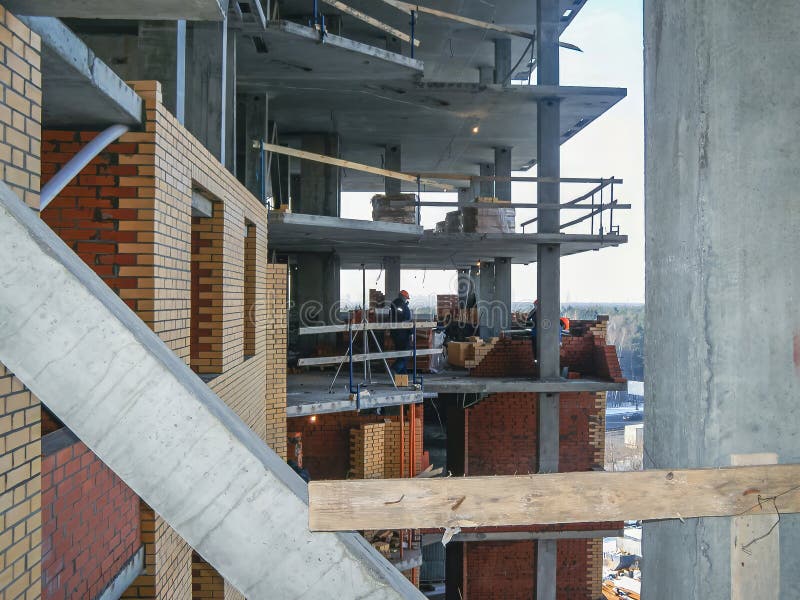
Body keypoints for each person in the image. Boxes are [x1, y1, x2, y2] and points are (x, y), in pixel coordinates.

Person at [389, 290, 412, 374]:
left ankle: (402, 376)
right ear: (403, 297)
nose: (407, 300)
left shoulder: (394, 304)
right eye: (406, 298)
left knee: (400, 354)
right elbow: (405, 321)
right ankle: (394, 369)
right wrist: (411, 332)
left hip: (396, 333)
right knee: (405, 354)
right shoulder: (401, 305)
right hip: (402, 334)